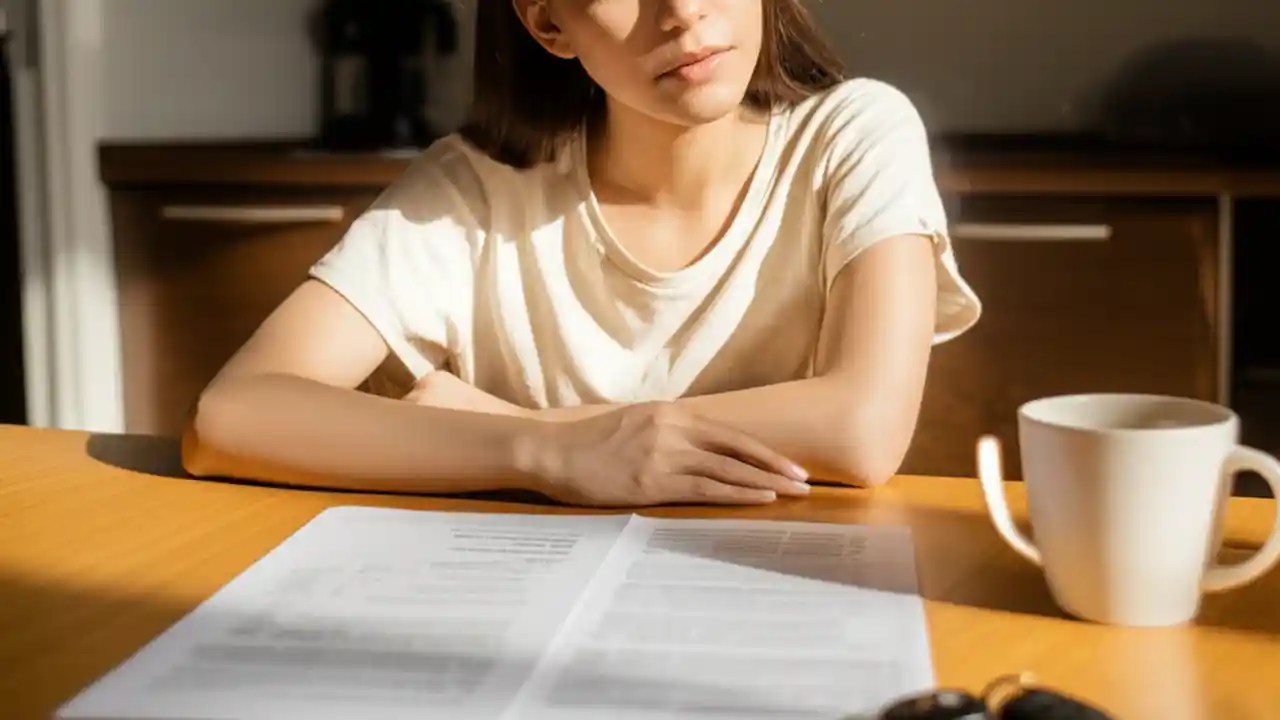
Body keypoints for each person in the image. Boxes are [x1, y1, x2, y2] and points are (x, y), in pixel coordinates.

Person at [181, 0, 981, 508]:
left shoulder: (854, 135)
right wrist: (544, 453)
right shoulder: (473, 191)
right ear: (547, 22)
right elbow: (233, 415)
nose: (683, 11)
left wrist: (527, 424)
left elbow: (861, 429)